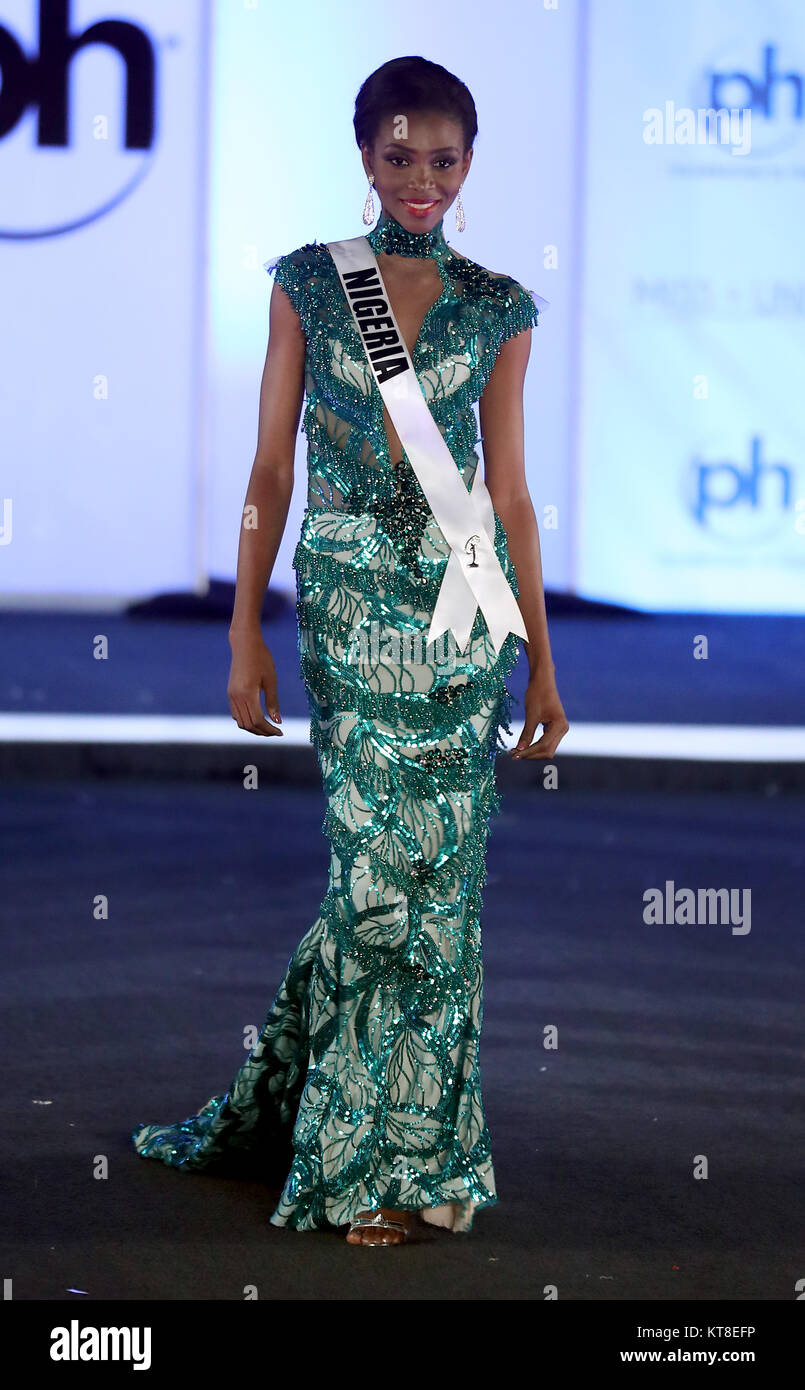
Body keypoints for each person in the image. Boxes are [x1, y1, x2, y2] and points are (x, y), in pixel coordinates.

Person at [132, 55, 569, 1247]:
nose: (420, 179)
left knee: (443, 895)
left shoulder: (498, 306)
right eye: (397, 155)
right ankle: (354, 1159)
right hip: (348, 614)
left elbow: (512, 495)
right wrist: (240, 627)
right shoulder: (309, 287)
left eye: (442, 159)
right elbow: (271, 472)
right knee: (377, 884)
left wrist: (539, 657)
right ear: (363, 156)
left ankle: (416, 1153)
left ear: (468, 165)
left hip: (454, 622)